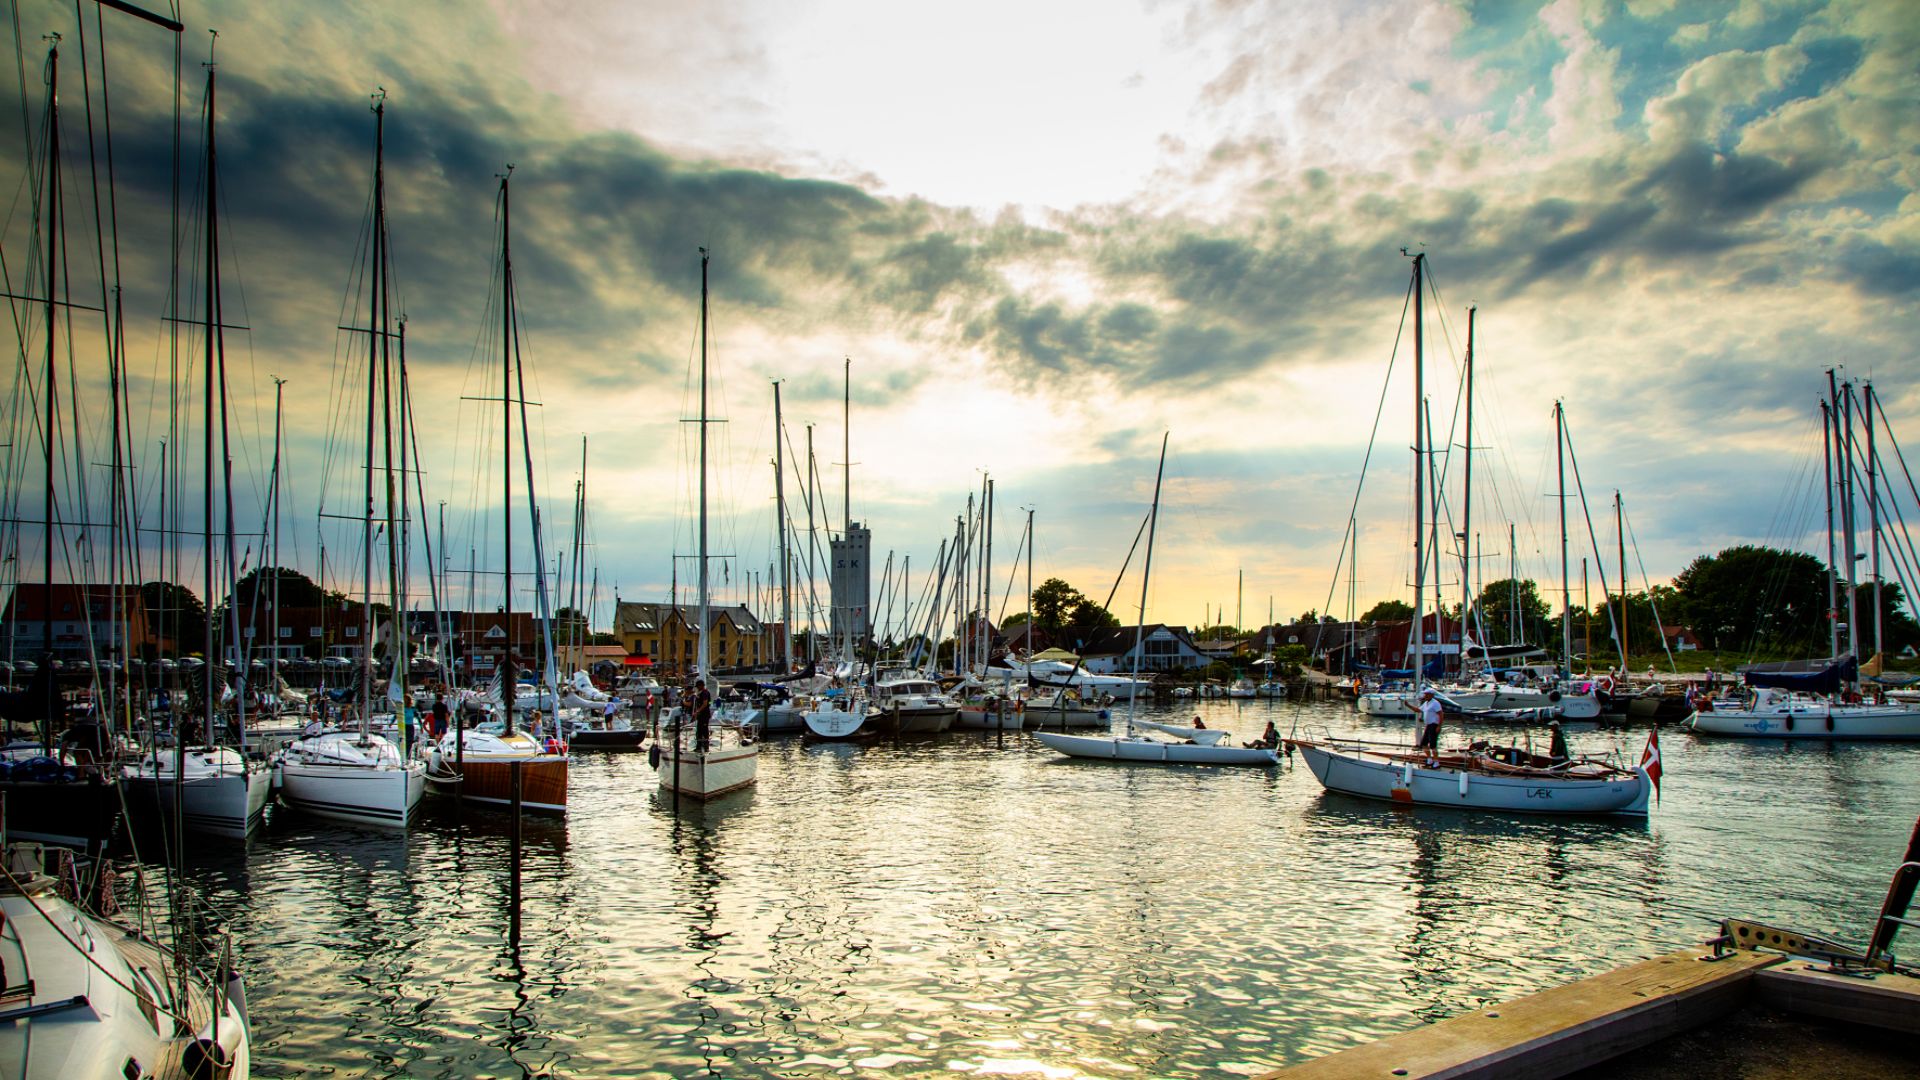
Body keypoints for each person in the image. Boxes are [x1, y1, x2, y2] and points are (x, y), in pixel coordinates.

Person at [1415, 687, 1442, 763]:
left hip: (1434, 725)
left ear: (1431, 695)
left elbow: (1441, 714)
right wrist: (1408, 705)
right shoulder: (1426, 703)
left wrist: (1439, 726)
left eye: (1427, 694)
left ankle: (1436, 761)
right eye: (1425, 694)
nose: (1425, 696)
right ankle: (1429, 759)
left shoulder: (1435, 703)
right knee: (1424, 743)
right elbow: (1418, 710)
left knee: (1433, 745)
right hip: (1428, 725)